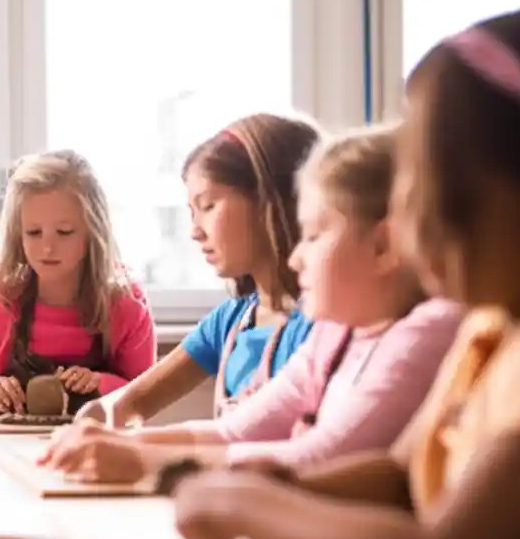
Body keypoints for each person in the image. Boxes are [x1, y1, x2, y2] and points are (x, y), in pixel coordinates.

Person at [172, 8, 520, 539]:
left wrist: (245, 508)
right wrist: (283, 486)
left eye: (437, 181)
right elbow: (401, 476)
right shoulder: (494, 326)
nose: (409, 214)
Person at [41, 126, 462, 481]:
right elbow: (230, 433)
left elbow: (322, 457)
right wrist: (120, 443)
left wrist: (142, 459)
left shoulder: (427, 332)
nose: (298, 256)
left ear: (383, 245)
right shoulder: (336, 332)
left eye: (314, 236)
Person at [73, 114, 321, 429]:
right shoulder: (229, 321)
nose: (194, 231)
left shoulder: (322, 325)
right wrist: (87, 425)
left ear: (270, 201)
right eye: (191, 213)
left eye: (207, 206)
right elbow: (125, 405)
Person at [0, 150, 156, 415]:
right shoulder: (2, 299)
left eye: (64, 232)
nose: (47, 247)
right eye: (33, 233)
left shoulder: (125, 302)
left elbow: (146, 396)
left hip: (96, 446)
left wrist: (100, 384)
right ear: (17, 235)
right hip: (14, 445)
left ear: (92, 232)